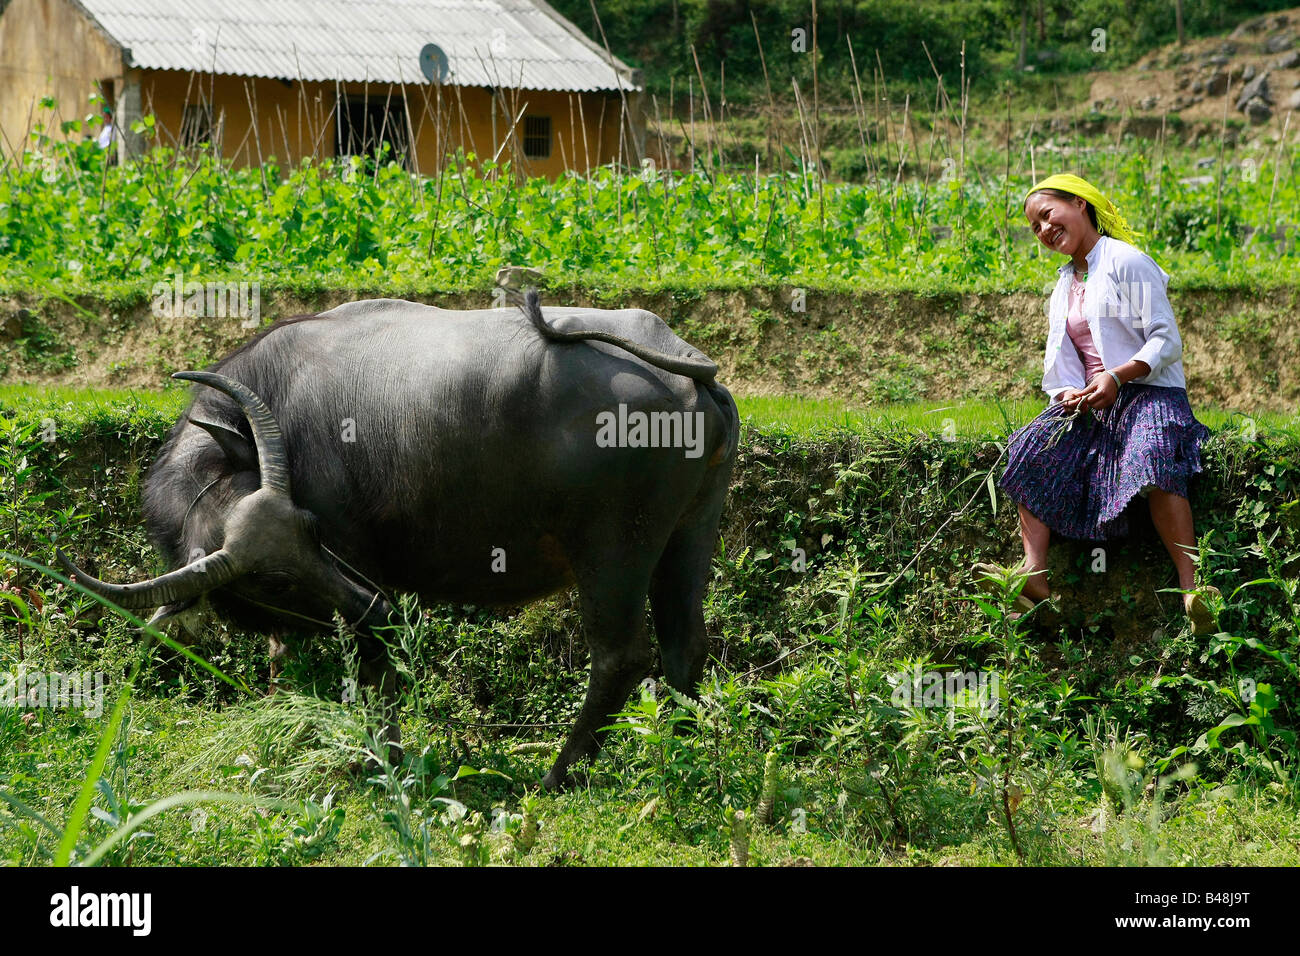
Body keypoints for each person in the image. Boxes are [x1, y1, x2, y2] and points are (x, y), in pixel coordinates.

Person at [984, 173, 1219, 634]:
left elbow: (1165, 340)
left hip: (1149, 394)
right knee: (1030, 446)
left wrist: (1116, 375)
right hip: (1095, 404)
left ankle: (1195, 589)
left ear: (1079, 203)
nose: (1045, 231)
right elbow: (1062, 366)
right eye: (1035, 228)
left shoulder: (1127, 261)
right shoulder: (1063, 286)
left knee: (1152, 456)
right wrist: (1069, 394)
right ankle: (1034, 573)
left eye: (1048, 215)